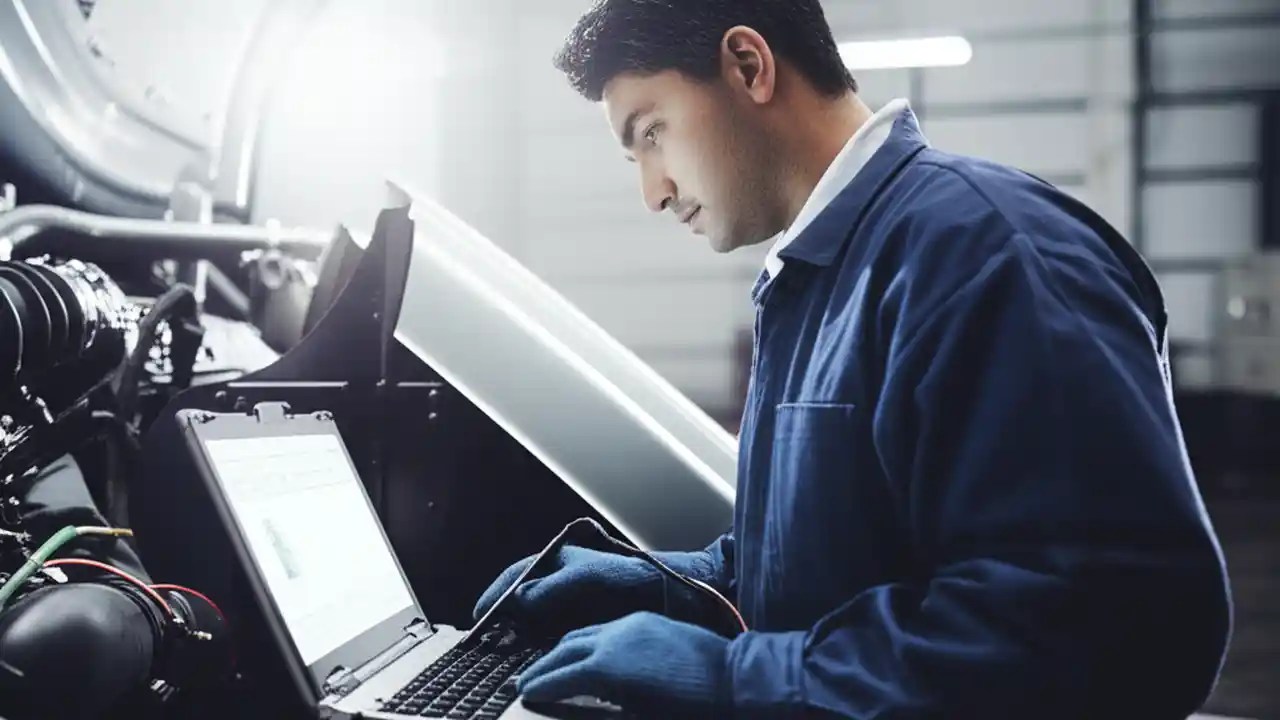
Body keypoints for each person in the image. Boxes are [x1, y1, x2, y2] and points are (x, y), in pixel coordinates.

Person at [472, 1, 1233, 716]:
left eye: (651, 133)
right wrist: (674, 589)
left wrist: (732, 678)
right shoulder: (819, 280)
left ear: (747, 65)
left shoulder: (988, 256)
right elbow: (836, 558)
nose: (652, 190)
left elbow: (1112, 623)